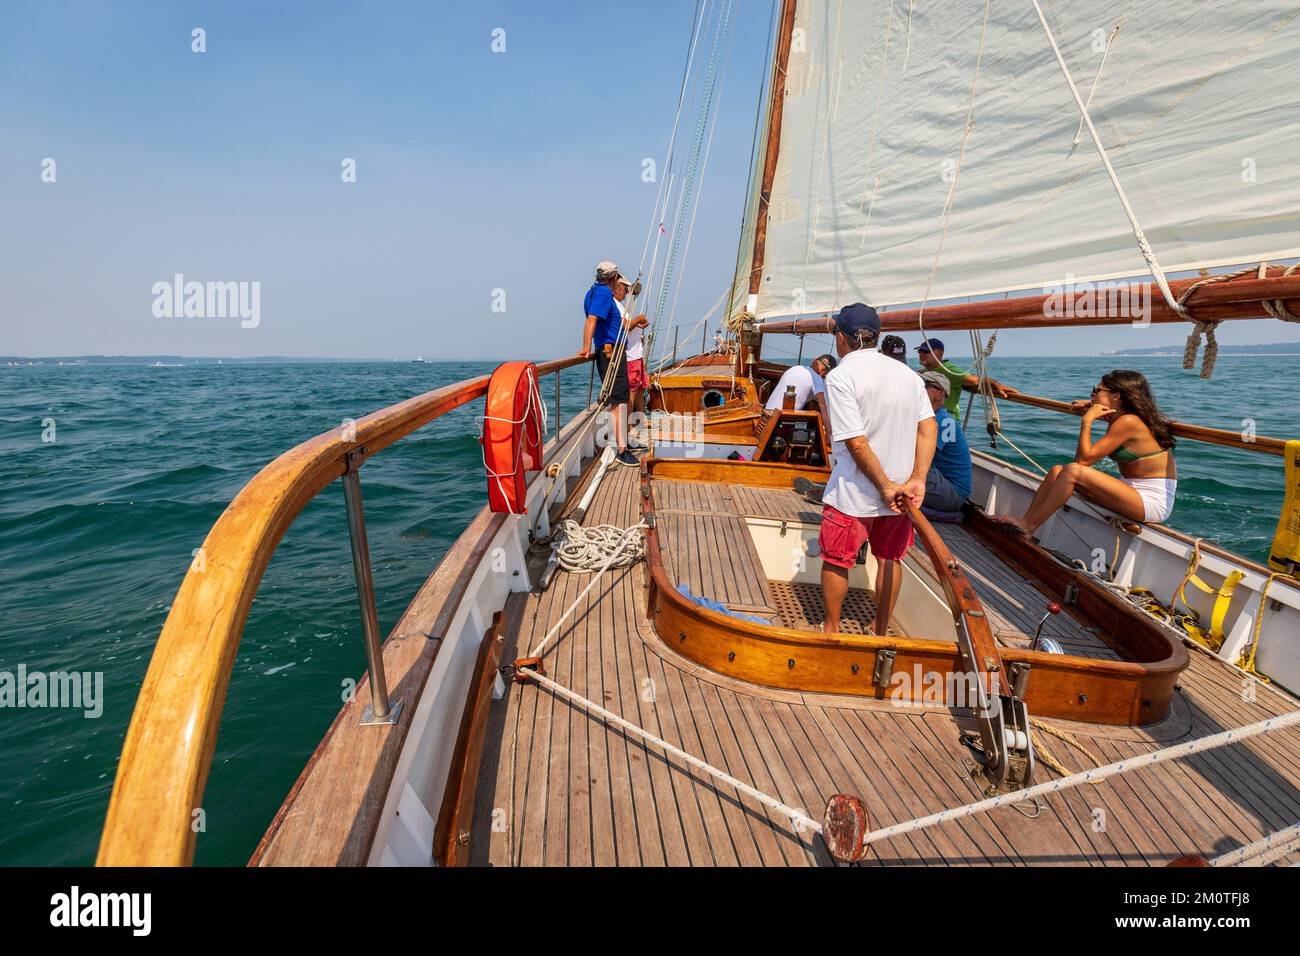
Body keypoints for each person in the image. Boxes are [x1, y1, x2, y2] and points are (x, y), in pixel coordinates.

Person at [819, 303, 936, 636]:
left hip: (854, 494)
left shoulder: (841, 376)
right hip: (900, 496)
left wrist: (884, 485)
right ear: (876, 336)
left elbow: (856, 442)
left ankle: (832, 628)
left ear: (841, 337)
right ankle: (880, 629)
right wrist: (917, 480)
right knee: (890, 559)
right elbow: (928, 427)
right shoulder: (909, 376)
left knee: (837, 559)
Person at [992, 369, 1177, 535]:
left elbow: (1082, 461)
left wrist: (1087, 421)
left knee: (1073, 471)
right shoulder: (1119, 416)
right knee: (1057, 471)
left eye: (1097, 391)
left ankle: (1029, 526)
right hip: (1130, 490)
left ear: (1116, 396)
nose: (1092, 395)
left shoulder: (1129, 421)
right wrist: (1091, 405)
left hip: (1151, 502)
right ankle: (1025, 521)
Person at [915, 338, 1016, 416]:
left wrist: (995, 384)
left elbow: (975, 380)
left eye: (926, 351)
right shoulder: (928, 370)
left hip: (947, 418)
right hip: (930, 414)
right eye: (920, 351)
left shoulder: (950, 370)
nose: (921, 354)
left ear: (940, 353)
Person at [919, 370, 972, 513]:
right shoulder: (926, 417)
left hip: (953, 494)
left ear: (939, 393)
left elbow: (919, 455)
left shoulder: (944, 421)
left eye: (924, 385)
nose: (917, 388)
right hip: (941, 483)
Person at [613, 276, 650, 444]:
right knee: (632, 392)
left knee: (640, 388)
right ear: (617, 288)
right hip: (630, 357)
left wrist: (638, 324)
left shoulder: (622, 306)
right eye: (625, 288)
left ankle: (641, 420)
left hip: (637, 355)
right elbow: (624, 326)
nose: (627, 291)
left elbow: (629, 326)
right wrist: (638, 319)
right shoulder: (615, 306)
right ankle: (628, 427)